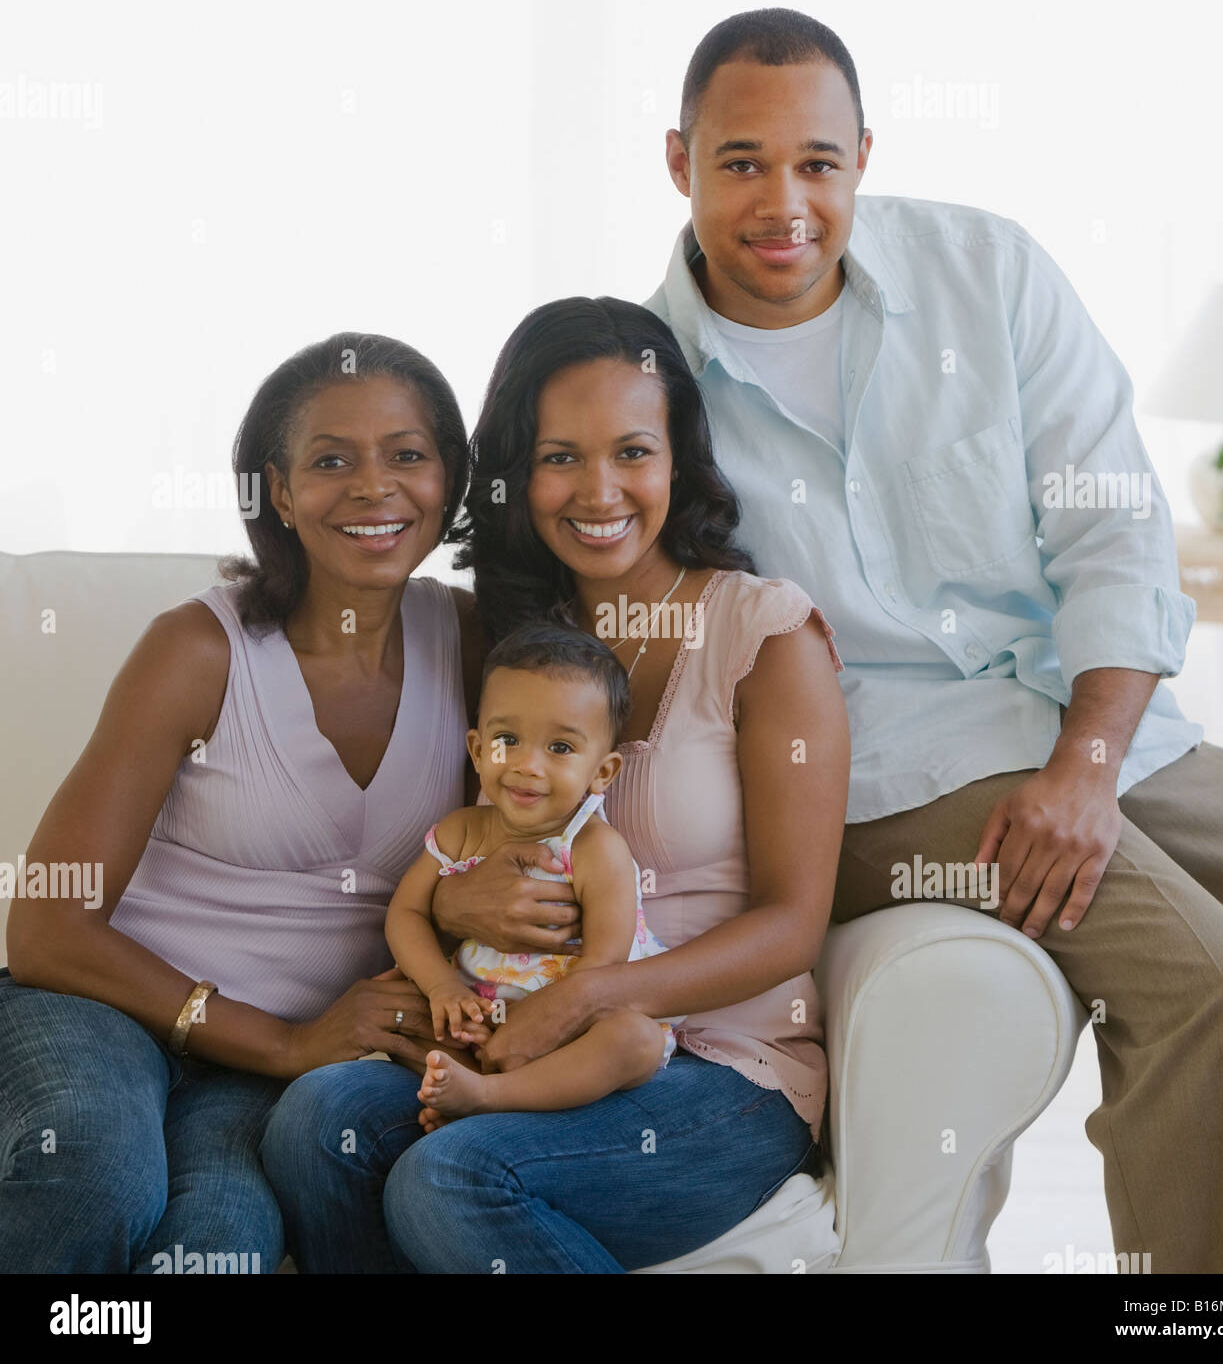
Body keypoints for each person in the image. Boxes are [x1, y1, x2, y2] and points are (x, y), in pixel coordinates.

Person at [640, 6, 1223, 1273]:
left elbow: (1113, 527)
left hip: (1088, 721)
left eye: (817, 163)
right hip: (880, 775)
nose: (784, 202)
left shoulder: (986, 273)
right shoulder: (643, 372)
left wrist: (1088, 766)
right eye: (741, 162)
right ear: (680, 160)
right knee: (1210, 985)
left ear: (864, 155)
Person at [259, 296, 850, 1273]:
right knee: (319, 1119)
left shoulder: (765, 634)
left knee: (449, 1176)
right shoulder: (512, 647)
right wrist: (454, 904)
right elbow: (475, 840)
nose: (598, 489)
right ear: (515, 475)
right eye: (559, 456)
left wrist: (588, 997)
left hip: (717, 1072)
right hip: (518, 1028)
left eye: (631, 451)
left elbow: (793, 920)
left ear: (677, 461)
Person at [0, 332, 478, 1273]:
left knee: (219, 1248)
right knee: (98, 1177)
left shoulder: (472, 641)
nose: (374, 486)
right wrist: (289, 1040)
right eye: (331, 460)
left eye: (408, 455)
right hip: (99, 1010)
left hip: (268, 1070)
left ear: (451, 480)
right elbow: (47, 928)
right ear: (281, 491)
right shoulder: (198, 649)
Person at [386, 622, 681, 1124]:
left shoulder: (594, 850)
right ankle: (462, 1080)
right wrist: (442, 988)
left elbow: (603, 964)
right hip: (477, 1012)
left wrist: (536, 1026)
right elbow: (406, 913)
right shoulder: (461, 832)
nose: (528, 765)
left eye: (560, 748)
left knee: (635, 1041)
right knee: (393, 1008)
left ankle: (488, 1096)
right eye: (508, 740)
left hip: (573, 1023)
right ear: (478, 750)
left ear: (602, 772)